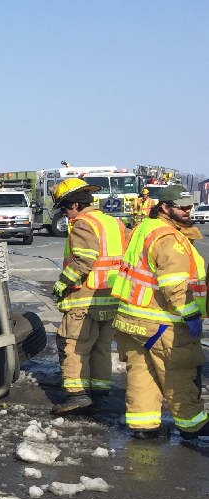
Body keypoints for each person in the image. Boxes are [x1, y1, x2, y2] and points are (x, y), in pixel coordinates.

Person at [111, 185, 208, 439]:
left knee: (142, 374)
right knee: (179, 373)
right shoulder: (169, 239)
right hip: (163, 322)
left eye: (190, 206)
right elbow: (174, 284)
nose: (188, 211)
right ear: (165, 207)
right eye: (181, 207)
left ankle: (144, 428)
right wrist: (191, 315)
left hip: (132, 319)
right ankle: (192, 426)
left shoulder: (144, 228)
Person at [50, 178, 128, 415]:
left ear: (74, 205)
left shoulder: (83, 224)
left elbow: (84, 261)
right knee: (101, 348)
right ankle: (98, 394)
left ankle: (76, 396)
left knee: (72, 346)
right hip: (111, 298)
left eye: (64, 209)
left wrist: (61, 285)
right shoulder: (114, 223)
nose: (64, 214)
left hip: (86, 298)